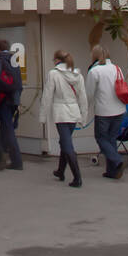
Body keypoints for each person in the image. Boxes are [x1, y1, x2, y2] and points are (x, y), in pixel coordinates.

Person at [39, 49, 88, 187]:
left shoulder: (53, 74)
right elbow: (83, 97)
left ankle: (77, 177)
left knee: (67, 145)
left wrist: (43, 116)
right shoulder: (78, 75)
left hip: (60, 113)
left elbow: (47, 96)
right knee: (64, 141)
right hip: (74, 112)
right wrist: (84, 116)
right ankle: (60, 171)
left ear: (57, 60)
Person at [85, 44, 127, 179]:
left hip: (103, 110)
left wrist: (84, 110)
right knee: (111, 139)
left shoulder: (94, 71)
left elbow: (89, 94)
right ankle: (112, 171)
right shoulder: (117, 68)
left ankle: (117, 160)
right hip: (119, 109)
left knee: (101, 138)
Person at [0, 39, 24, 170]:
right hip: (13, 99)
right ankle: (0, 155)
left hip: (4, 99)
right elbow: (19, 83)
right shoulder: (14, 60)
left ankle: (16, 161)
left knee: (8, 129)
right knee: (5, 128)